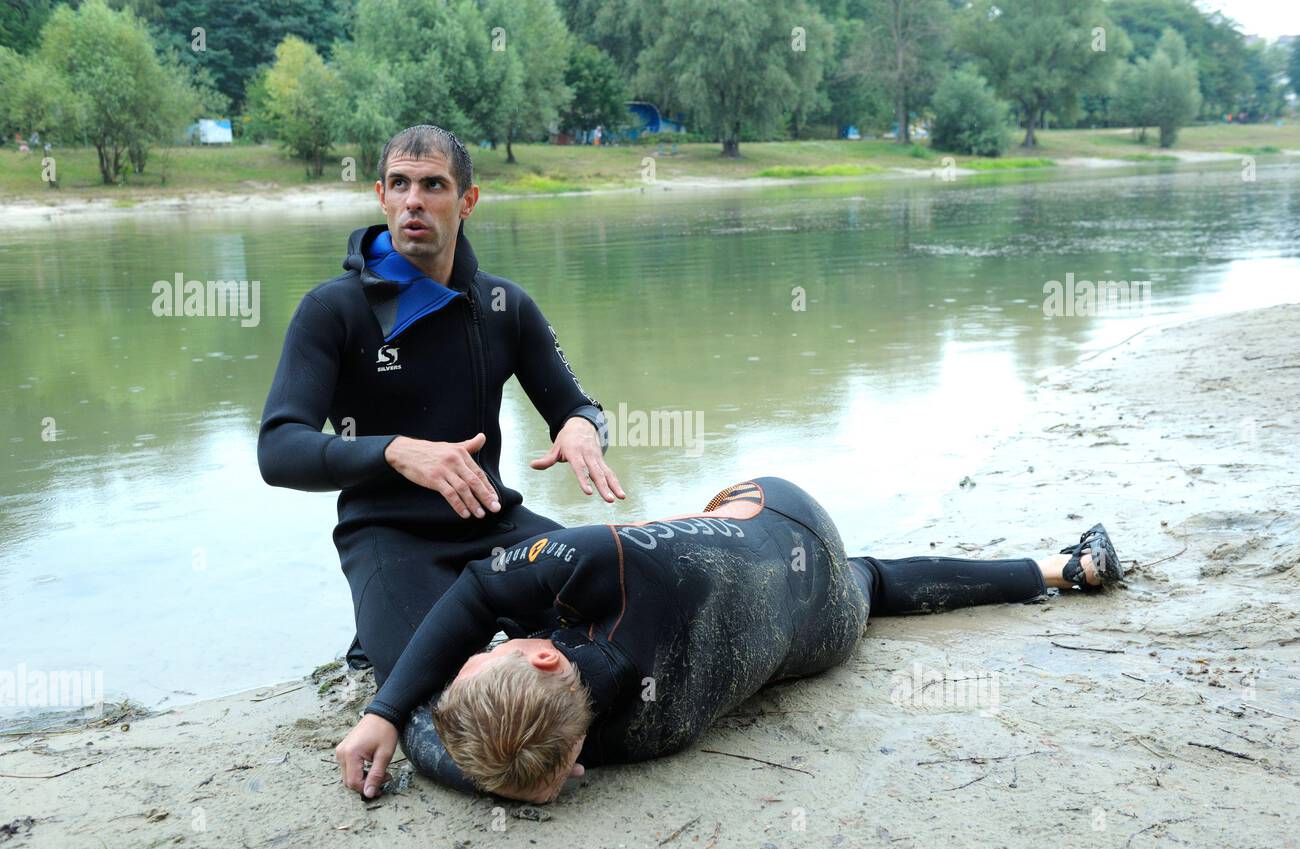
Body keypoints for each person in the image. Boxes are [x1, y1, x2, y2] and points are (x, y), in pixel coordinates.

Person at [335, 476, 1122, 803]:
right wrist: (391, 707)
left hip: (825, 630)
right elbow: (479, 588)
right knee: (656, 536)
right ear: (540, 651)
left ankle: (1057, 568)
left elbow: (505, 766)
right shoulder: (596, 559)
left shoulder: (642, 737)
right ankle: (1059, 565)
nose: (477, 649)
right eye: (489, 656)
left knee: (872, 580)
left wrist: (399, 710)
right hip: (779, 514)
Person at [257, 125, 625, 689]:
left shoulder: (505, 305)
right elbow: (278, 449)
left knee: (624, 606)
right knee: (438, 686)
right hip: (388, 534)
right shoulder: (331, 311)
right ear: (381, 195)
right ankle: (381, 625)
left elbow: (579, 406)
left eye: (433, 185)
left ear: (467, 201)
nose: (414, 201)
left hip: (496, 526)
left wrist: (581, 427)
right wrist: (396, 452)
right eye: (400, 184)